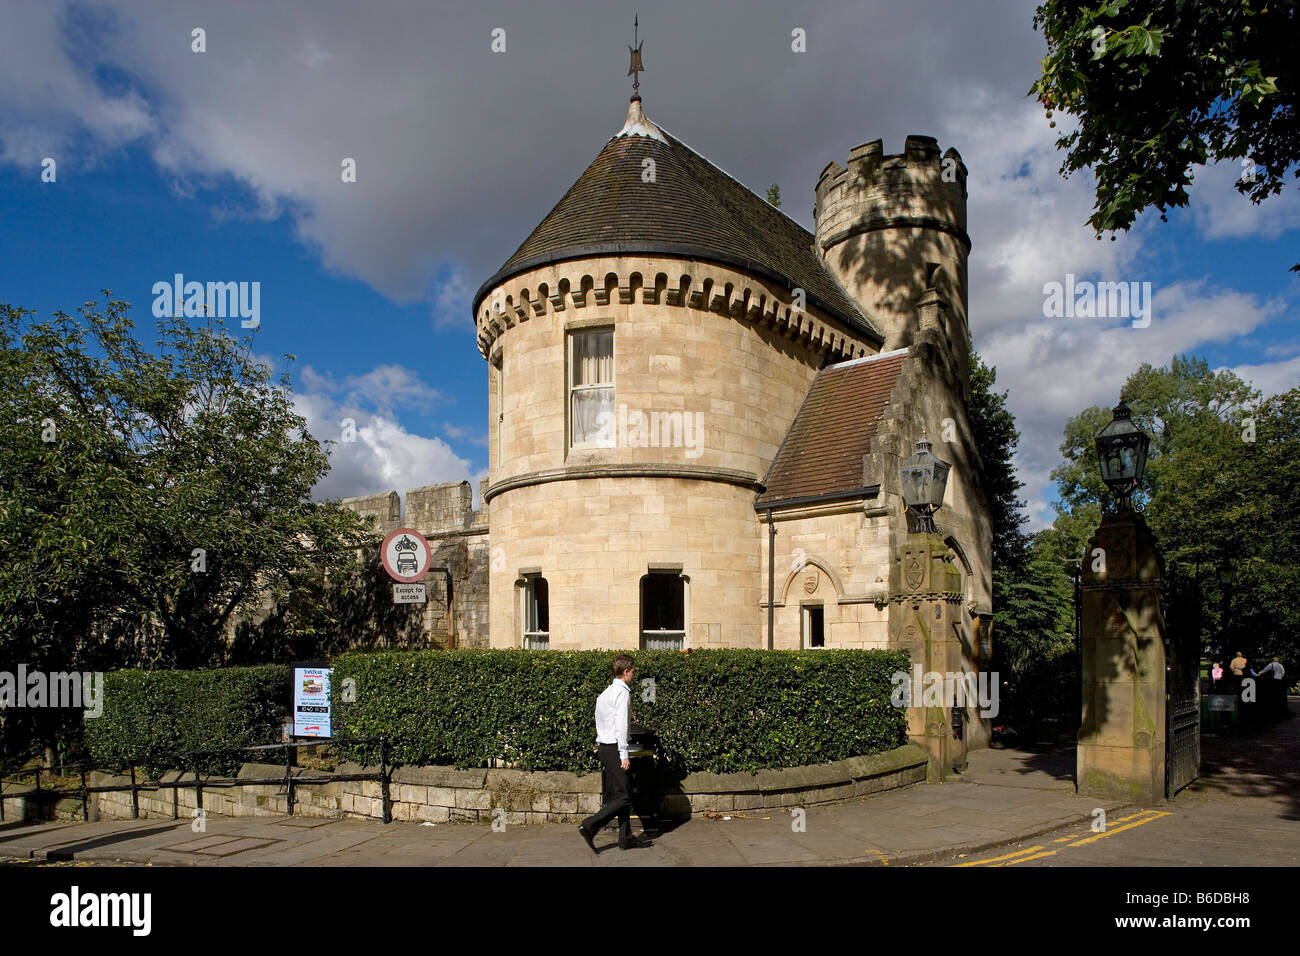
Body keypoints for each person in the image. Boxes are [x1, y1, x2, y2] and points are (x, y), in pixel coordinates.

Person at [577, 655, 653, 852]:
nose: (634, 674)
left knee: (621, 793)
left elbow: (601, 722)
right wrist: (624, 754)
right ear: (626, 672)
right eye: (633, 671)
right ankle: (589, 825)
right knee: (625, 797)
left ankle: (626, 838)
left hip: (605, 747)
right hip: (615, 749)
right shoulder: (622, 694)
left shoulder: (605, 693)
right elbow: (621, 726)